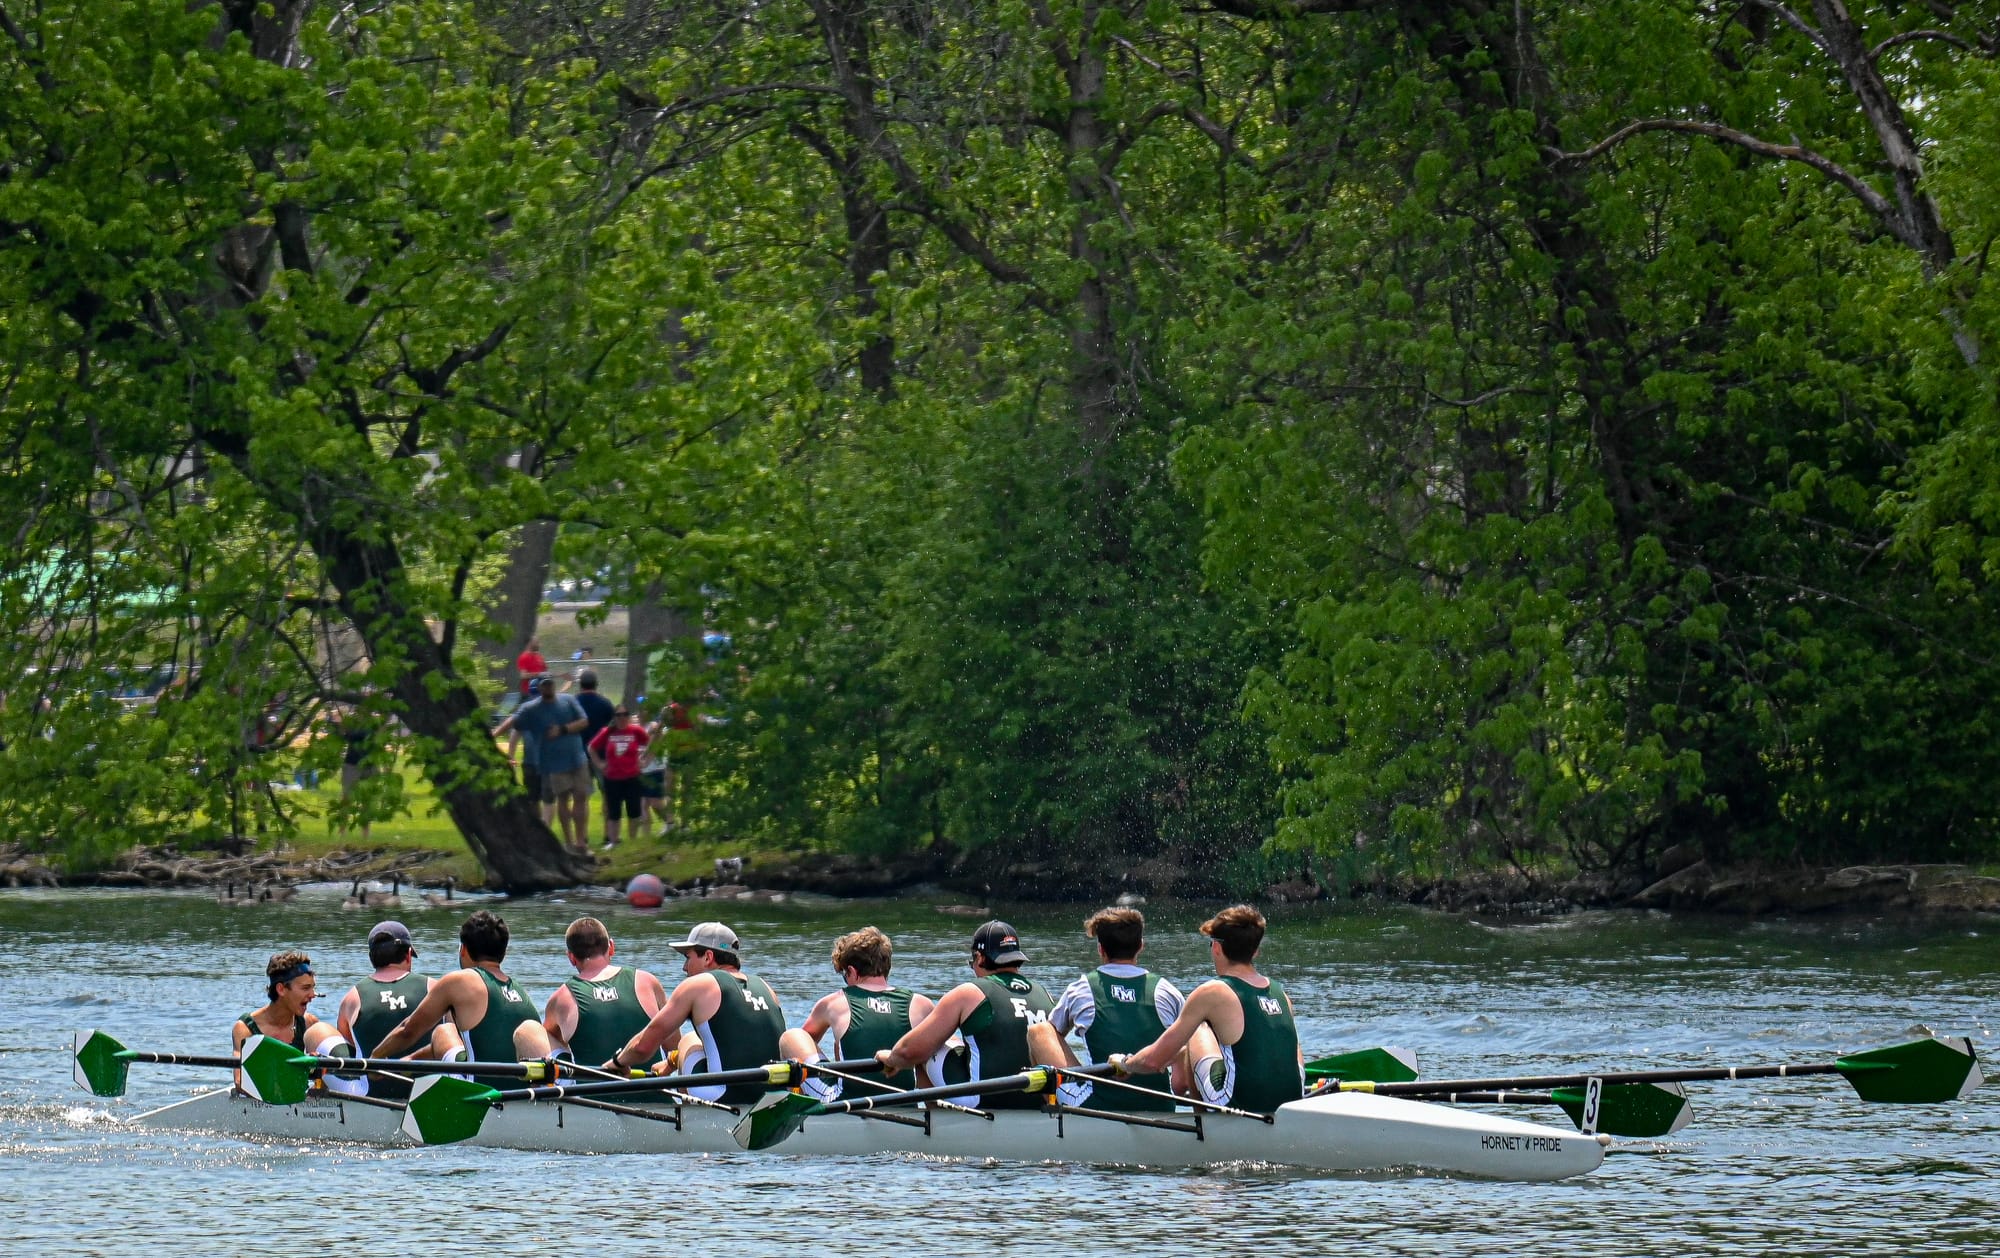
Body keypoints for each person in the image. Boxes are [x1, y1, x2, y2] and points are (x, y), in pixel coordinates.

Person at [1112, 905, 1304, 1114]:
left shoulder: (1212, 992)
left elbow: (1153, 1061)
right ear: (1256, 950)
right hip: (1291, 1103)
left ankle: (1201, 1124)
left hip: (1239, 1104)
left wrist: (1126, 1064)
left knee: (1198, 1028)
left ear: (1216, 948)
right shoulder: (1281, 995)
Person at [875, 921, 1064, 1109]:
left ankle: (934, 1125)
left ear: (980, 958)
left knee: (925, 1046)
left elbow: (910, 1050)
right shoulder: (1044, 993)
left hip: (983, 1099)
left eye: (972, 962)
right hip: (1037, 1099)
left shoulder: (970, 992)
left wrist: (891, 1058)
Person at [606, 921, 785, 1105]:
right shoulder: (766, 987)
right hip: (774, 1101)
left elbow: (644, 1047)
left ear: (708, 957)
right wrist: (671, 1062)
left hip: (725, 1099)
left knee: (689, 1040)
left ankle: (684, 1122)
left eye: (688, 957)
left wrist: (617, 1063)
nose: (684, 967)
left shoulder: (699, 985)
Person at [1046, 906, 1195, 1112]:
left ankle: (1049, 1121)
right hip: (1161, 1107)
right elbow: (1183, 1075)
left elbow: (1053, 1036)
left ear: (1101, 949)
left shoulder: (1081, 989)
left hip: (1098, 1107)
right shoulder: (1167, 991)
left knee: (1041, 1032)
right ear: (1141, 946)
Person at [368, 910, 553, 1064]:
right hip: (522, 1094)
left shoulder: (459, 981)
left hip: (481, 1093)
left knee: (444, 1031)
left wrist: (375, 1058)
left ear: (463, 949)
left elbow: (408, 1030)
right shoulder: (521, 991)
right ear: (503, 952)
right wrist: (410, 1060)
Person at [778, 926, 935, 1099]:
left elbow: (804, 1043)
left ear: (852, 971)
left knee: (791, 1037)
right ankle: (932, 1111)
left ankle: (796, 1115)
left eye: (845, 975)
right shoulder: (921, 1004)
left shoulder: (833, 1002)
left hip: (847, 1103)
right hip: (904, 1101)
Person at [541, 916, 668, 1067]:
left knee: (532, 1030)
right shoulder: (647, 982)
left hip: (594, 1089)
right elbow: (675, 1049)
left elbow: (549, 1041)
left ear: (571, 957)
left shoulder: (561, 998)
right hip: (655, 1090)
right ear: (612, 947)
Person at [232, 949, 359, 1094]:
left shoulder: (309, 1023)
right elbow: (240, 1081)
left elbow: (325, 1084)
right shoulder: (245, 1028)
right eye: (305, 988)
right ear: (281, 989)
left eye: (313, 988)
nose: (312, 995)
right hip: (258, 1103)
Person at [333, 921, 434, 1099]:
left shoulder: (351, 998)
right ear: (409, 955)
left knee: (319, 1032)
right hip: (427, 1097)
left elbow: (349, 1047)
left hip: (373, 1097)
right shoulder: (434, 988)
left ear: (372, 958)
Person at [503, 674, 592, 851]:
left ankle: (581, 841)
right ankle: (568, 841)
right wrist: (495, 738)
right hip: (552, 762)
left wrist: (563, 729)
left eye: (550, 684)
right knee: (560, 799)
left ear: (553, 685)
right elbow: (514, 724)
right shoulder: (531, 708)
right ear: (540, 688)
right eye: (544, 685)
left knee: (580, 797)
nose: (548, 688)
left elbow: (584, 721)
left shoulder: (568, 700)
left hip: (577, 758)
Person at [587, 705, 649, 849]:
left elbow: (651, 744)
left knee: (634, 812)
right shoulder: (607, 732)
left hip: (632, 776)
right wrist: (600, 763)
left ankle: (633, 841)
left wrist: (645, 760)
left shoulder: (636, 730)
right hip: (613, 777)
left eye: (625, 714)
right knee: (614, 812)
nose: (622, 718)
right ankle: (613, 841)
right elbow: (591, 748)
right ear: (614, 717)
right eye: (618, 715)